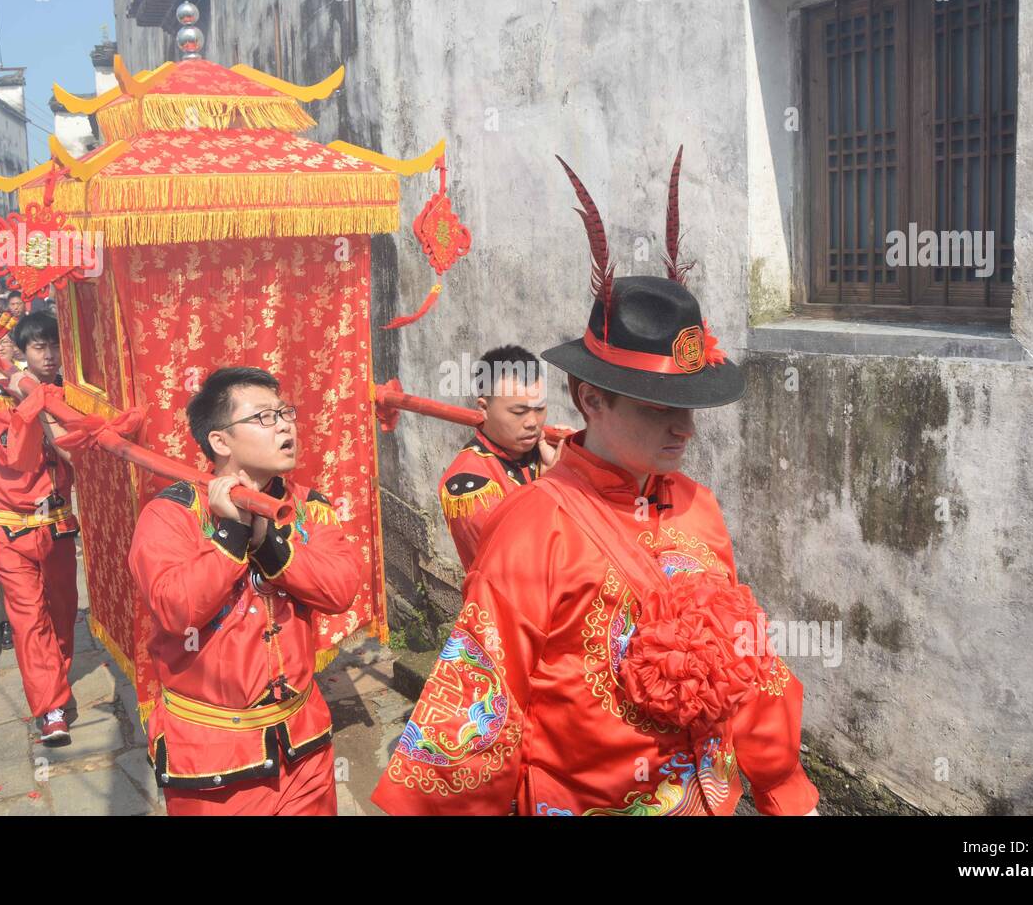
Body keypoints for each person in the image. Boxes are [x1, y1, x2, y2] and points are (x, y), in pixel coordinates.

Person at [372, 151, 820, 816]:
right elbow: (482, 698)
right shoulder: (533, 526)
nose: (684, 432)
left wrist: (784, 784)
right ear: (592, 399)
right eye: (657, 408)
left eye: (688, 408)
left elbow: (744, 661)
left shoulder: (699, 509)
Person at [128, 367, 362, 816]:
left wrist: (268, 543)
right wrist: (233, 536)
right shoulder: (170, 514)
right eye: (265, 418)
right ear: (220, 441)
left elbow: (340, 590)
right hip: (212, 757)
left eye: (285, 413)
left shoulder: (308, 507)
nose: (286, 426)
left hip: (303, 742)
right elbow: (176, 610)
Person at [0, 311, 80, 745]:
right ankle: (50, 707)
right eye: (41, 347)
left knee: (62, 614)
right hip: (11, 531)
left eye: (56, 345)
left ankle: (57, 683)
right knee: (28, 621)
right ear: (22, 352)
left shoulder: (70, 389)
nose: (51, 355)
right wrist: (33, 403)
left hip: (56, 525)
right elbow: (15, 458)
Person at [438, 345, 567, 570]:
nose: (532, 422)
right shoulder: (468, 484)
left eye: (540, 409)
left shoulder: (553, 452)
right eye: (519, 412)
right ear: (484, 408)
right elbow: (522, 558)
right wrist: (558, 483)